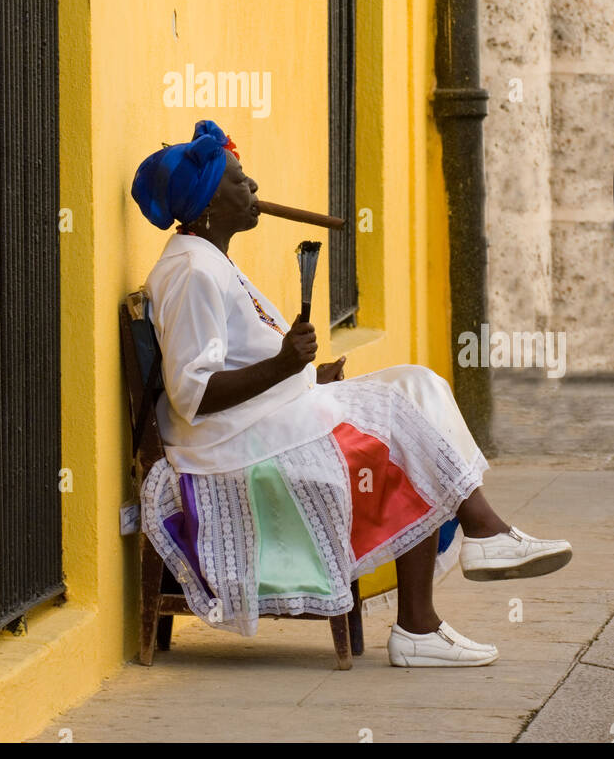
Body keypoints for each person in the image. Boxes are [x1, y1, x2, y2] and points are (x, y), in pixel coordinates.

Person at [130, 120, 572, 667]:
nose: (255, 189)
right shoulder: (193, 271)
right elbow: (193, 396)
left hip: (267, 416)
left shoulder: (209, 259)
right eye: (239, 182)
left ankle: (454, 572)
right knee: (401, 419)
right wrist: (286, 364)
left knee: (418, 385)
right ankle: (447, 583)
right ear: (205, 205)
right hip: (228, 446)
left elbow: (243, 364)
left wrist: (307, 374)